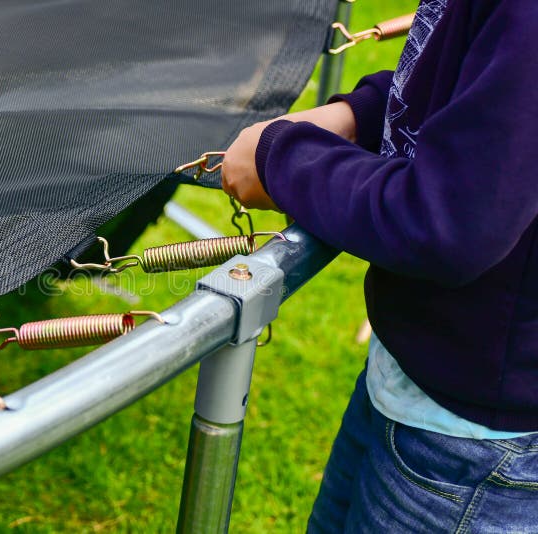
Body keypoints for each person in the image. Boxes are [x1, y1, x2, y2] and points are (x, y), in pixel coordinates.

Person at [220, 0, 538, 531]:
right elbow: (466, 78)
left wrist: (281, 159)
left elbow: (451, 222)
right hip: (416, 378)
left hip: (471, 450)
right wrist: (358, 115)